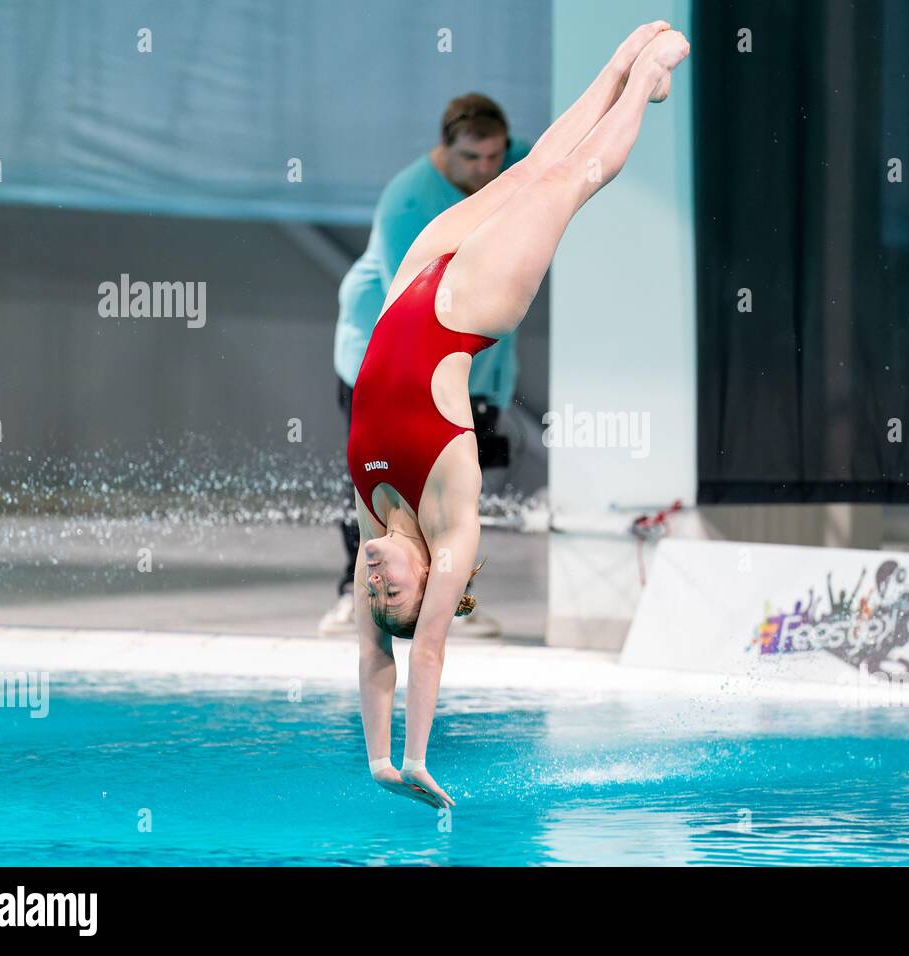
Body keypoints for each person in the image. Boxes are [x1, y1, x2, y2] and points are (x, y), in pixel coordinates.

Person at [352, 22, 690, 809]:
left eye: (373, 596)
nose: (373, 583)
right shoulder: (450, 522)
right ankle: (644, 82)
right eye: (389, 595)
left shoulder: (374, 521)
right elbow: (423, 650)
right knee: (569, 181)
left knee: (534, 166)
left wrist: (375, 761)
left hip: (409, 289)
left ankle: (616, 64)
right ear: (432, 581)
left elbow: (374, 659)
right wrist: (416, 759)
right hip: (466, 311)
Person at [319, 93, 533, 639]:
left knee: (461, 485)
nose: (486, 169)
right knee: (376, 483)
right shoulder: (407, 202)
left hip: (467, 349)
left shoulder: (515, 162)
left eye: (494, 156)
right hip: (384, 350)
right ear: (445, 148)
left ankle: (452, 591)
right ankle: (354, 590)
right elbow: (415, 309)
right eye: (472, 159)